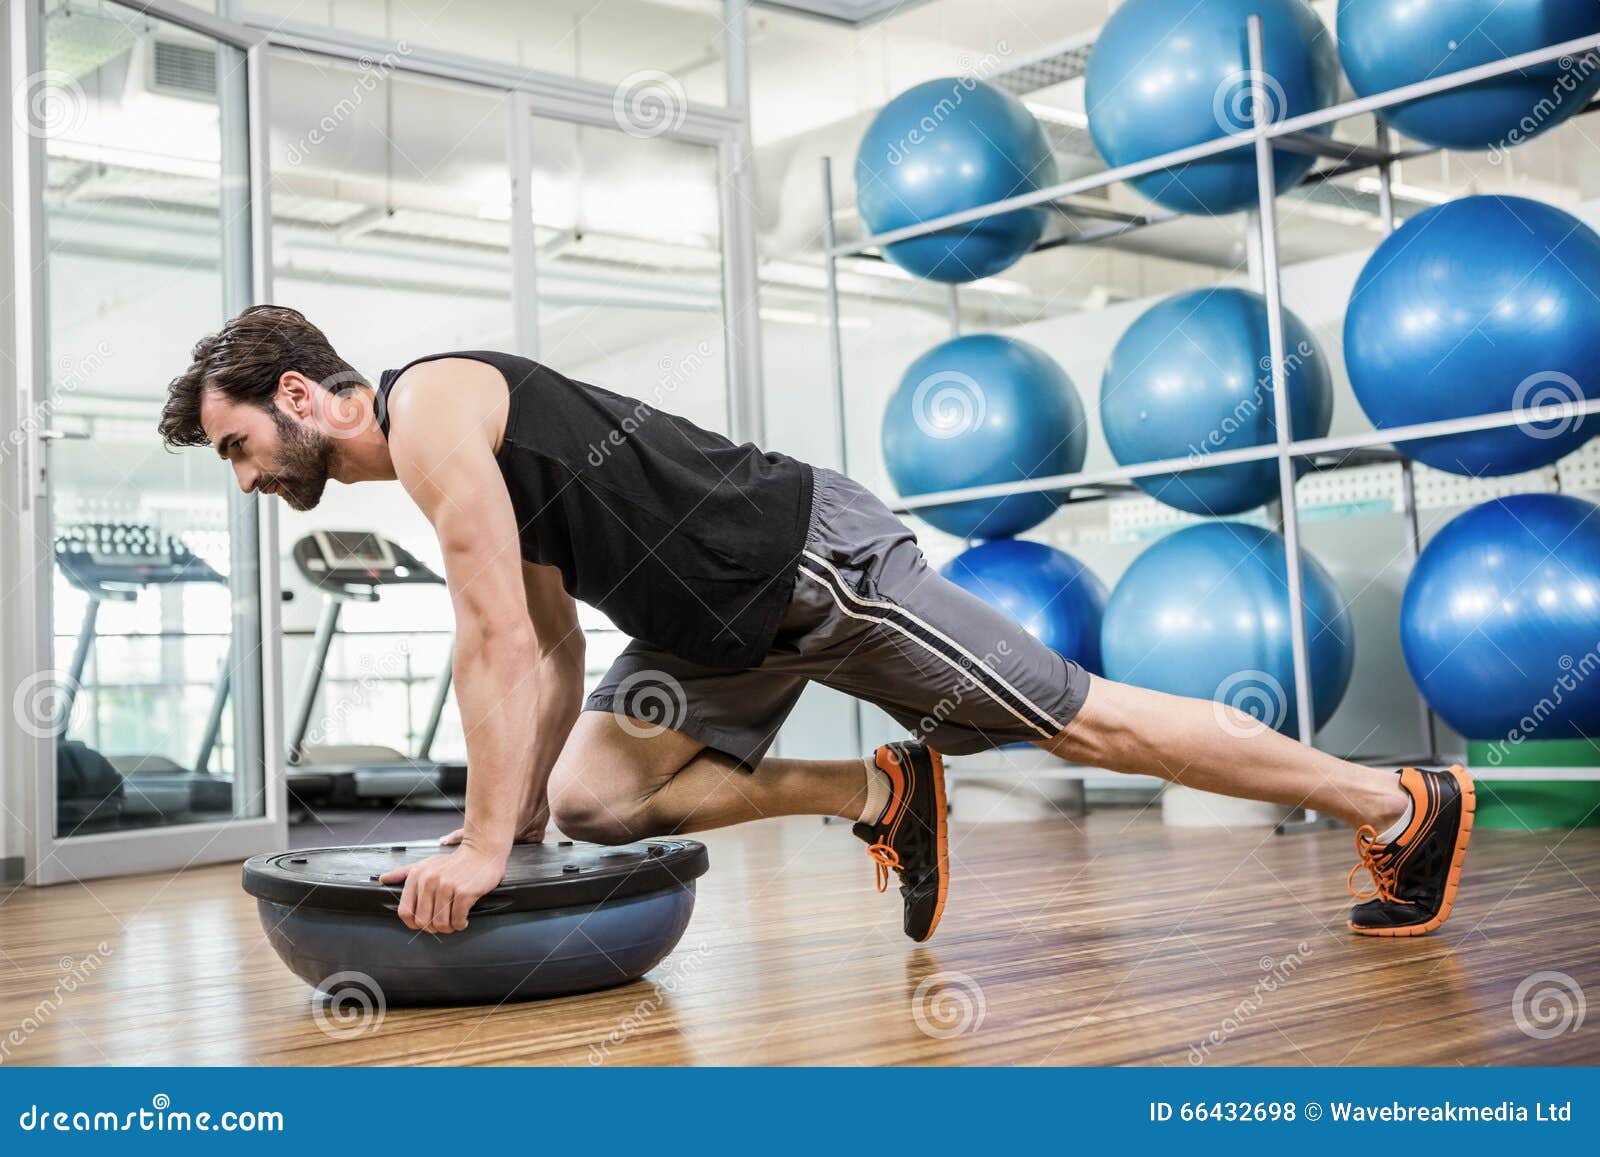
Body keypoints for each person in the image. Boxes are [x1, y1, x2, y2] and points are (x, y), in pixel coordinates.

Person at [158, 306, 1474, 943]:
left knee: (1086, 719)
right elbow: (550, 645)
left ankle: (1393, 797)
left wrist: (494, 846)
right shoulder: (453, 446)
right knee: (603, 802)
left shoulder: (433, 407)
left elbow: (496, 636)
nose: (245, 476)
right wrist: (522, 821)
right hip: (712, 630)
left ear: (295, 393)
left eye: (234, 446)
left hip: (810, 565)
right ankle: (878, 787)